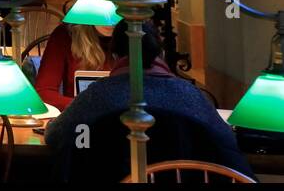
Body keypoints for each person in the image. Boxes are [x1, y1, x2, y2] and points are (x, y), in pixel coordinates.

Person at [45, 21, 252, 181]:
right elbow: (228, 147)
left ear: (115, 55)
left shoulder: (95, 96)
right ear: (160, 54)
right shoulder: (190, 95)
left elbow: (54, 137)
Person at [34, 14, 112, 111]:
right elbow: (44, 92)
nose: (109, 19)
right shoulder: (66, 34)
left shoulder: (133, 37)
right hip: (79, 118)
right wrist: (84, 107)